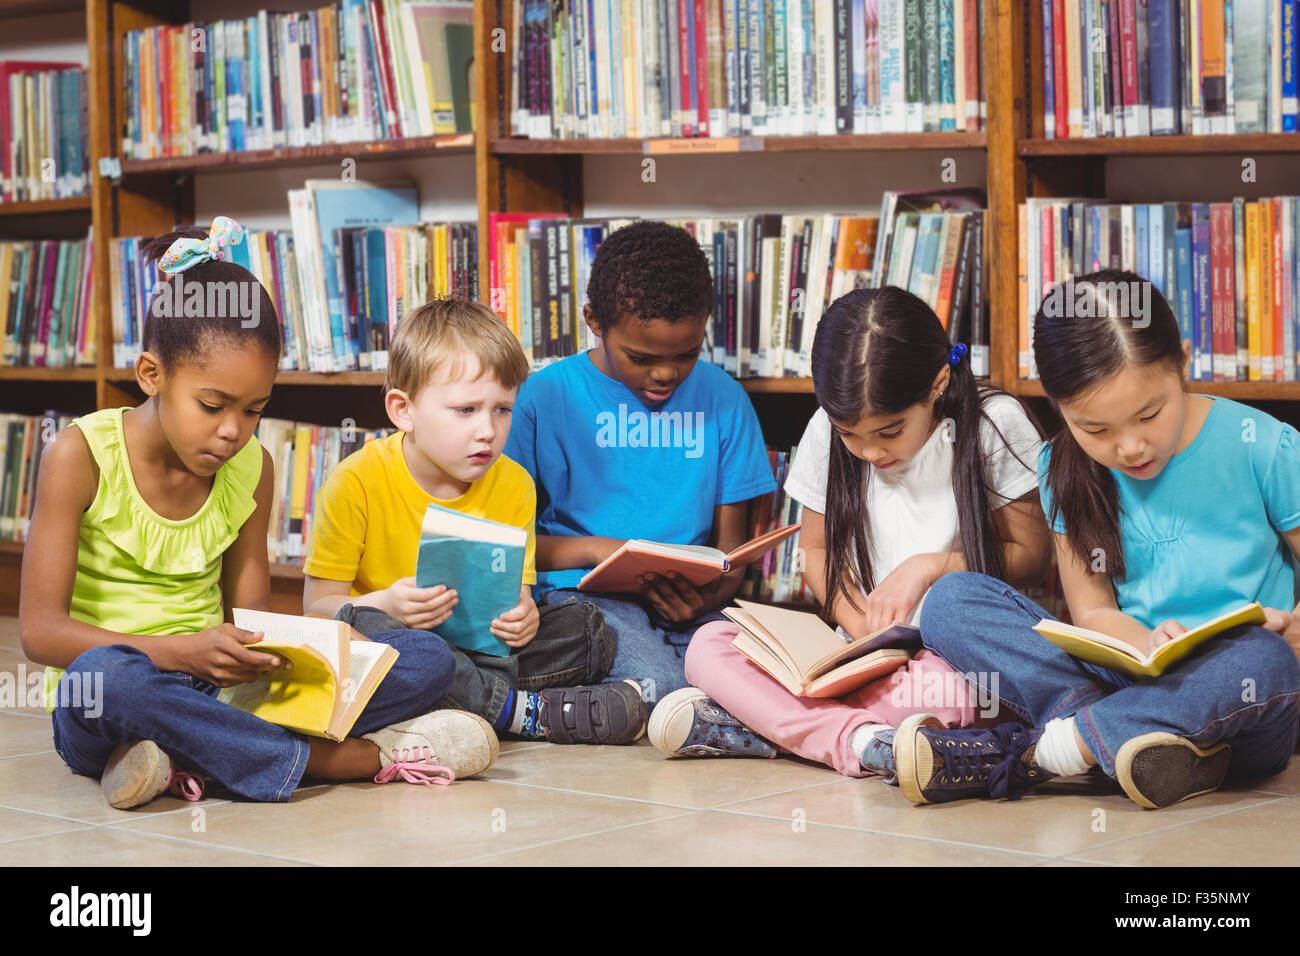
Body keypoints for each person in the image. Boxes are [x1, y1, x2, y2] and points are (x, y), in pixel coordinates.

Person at [22, 219, 492, 811]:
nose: (231, 432)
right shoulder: (79, 455)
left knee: (427, 659)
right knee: (106, 678)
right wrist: (182, 651)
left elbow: (251, 618)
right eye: (213, 406)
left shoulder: (253, 467)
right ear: (151, 375)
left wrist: (303, 651)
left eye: (254, 411)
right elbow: (40, 634)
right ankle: (330, 760)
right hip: (116, 696)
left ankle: (186, 758)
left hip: (219, 691)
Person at [897, 270, 1300, 808]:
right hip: (1132, 673)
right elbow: (1091, 612)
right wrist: (1143, 643)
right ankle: (1147, 747)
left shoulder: (1263, 446)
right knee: (952, 600)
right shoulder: (1059, 466)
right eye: (1096, 429)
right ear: (1056, 403)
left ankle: (1050, 749)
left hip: (1243, 698)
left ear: (1183, 361)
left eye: (1149, 414)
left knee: (1264, 658)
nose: (1130, 447)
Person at [649, 286, 1051, 778]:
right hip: (857, 656)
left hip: (953, 658)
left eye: (889, 432)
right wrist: (858, 626)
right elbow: (815, 551)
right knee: (710, 644)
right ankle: (866, 741)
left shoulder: (993, 423)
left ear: (938, 383)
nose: (869, 453)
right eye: (849, 436)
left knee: (955, 693)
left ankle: (777, 729)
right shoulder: (825, 428)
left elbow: (1032, 556)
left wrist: (932, 568)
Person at [303, 299, 643, 744]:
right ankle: (518, 711)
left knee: (585, 628)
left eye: (502, 409)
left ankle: (467, 705)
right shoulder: (355, 482)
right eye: (466, 410)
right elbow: (317, 609)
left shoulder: (514, 484)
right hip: (402, 650)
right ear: (403, 410)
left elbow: (516, 593)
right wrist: (387, 603)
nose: (488, 430)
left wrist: (523, 616)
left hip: (486, 655)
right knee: (408, 649)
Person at [504, 220, 778, 705]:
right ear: (594, 321)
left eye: (688, 354)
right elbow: (510, 544)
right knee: (666, 687)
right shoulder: (543, 397)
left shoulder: (723, 398)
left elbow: (730, 555)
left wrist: (709, 596)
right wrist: (598, 551)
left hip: (692, 609)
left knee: (771, 684)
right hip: (584, 599)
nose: (666, 372)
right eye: (640, 356)